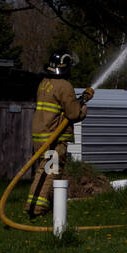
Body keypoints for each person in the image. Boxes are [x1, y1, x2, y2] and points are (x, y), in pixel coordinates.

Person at [27, 53, 92, 218]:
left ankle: (35, 205)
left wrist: (79, 100)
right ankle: (37, 210)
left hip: (40, 136)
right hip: (54, 139)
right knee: (51, 172)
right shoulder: (64, 86)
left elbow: (61, 108)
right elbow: (73, 114)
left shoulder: (44, 84)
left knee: (43, 170)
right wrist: (83, 111)